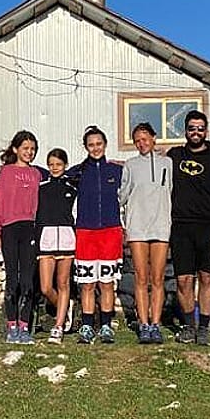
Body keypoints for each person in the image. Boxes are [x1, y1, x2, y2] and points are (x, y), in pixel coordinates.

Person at [166, 110, 210, 345]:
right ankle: (188, 325)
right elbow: (153, 166)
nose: (196, 132)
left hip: (208, 227)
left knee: (206, 276)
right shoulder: (174, 156)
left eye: (200, 128)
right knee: (184, 280)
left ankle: (203, 327)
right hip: (181, 227)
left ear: (206, 131)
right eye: (192, 128)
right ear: (185, 130)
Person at [67, 126, 123, 344]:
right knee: (87, 283)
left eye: (99, 144)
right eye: (91, 145)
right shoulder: (77, 172)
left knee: (106, 282)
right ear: (86, 147)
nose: (96, 148)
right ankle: (88, 326)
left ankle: (107, 326)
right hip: (85, 232)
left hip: (110, 231)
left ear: (105, 144)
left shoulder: (116, 172)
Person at [119, 122, 173, 345]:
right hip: (138, 226)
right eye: (137, 140)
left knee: (158, 278)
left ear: (154, 138)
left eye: (145, 139)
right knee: (141, 278)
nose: (141, 143)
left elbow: (169, 189)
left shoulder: (167, 163)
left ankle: (156, 324)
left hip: (160, 225)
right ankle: (143, 324)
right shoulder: (130, 165)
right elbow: (122, 195)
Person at [0, 130, 44, 344]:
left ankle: (24, 326)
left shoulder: (37, 174)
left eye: (32, 149)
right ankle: (11, 326)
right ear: (15, 149)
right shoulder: (6, 172)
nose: (29, 152)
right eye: (25, 149)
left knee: (27, 281)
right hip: (10, 229)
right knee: (12, 280)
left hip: (29, 228)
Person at [36, 148, 77, 344]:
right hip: (46, 240)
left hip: (67, 239)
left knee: (63, 283)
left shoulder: (72, 187)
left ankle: (58, 327)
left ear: (65, 165)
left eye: (58, 164)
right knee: (46, 287)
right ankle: (65, 306)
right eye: (51, 164)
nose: (54, 168)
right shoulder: (41, 188)